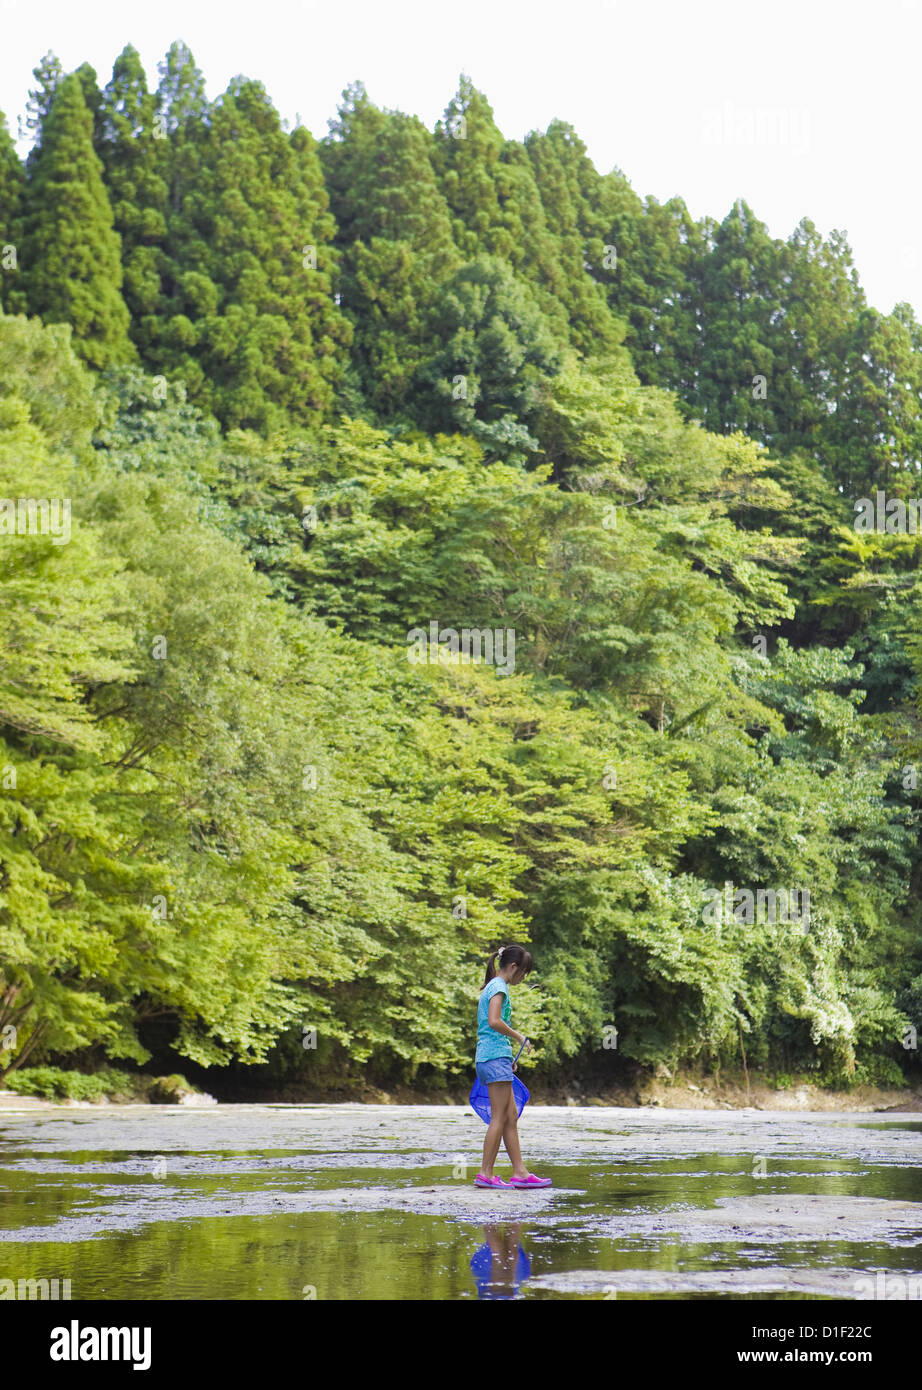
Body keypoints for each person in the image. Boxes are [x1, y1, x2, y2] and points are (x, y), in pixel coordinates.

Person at [473, 944, 552, 1189]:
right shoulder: (499, 987)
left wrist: (508, 1058)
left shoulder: (493, 986)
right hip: (494, 1057)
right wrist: (519, 1037)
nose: (524, 978)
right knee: (499, 1118)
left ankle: (519, 1172)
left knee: (509, 1117)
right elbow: (494, 1021)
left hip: (494, 1057)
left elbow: (490, 1027)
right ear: (514, 967)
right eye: (524, 973)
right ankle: (485, 1174)